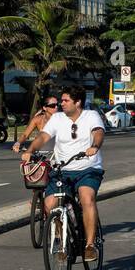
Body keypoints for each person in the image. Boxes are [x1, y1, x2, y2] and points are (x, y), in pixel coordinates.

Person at [27, 84, 105, 259]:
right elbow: (43, 137)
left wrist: (94, 146)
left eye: (65, 100)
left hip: (88, 168)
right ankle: (60, 242)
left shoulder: (91, 115)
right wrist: (30, 150)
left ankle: (90, 245)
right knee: (49, 205)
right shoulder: (57, 119)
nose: (61, 103)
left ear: (77, 102)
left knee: (87, 198)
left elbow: (98, 132)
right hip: (62, 169)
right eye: (61, 100)